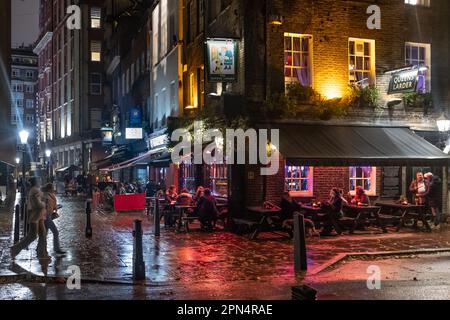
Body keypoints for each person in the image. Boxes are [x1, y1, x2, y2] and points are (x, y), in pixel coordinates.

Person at [10, 177, 49, 260]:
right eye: (40, 180)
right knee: (32, 235)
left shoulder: (35, 189)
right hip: (35, 215)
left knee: (42, 234)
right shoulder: (35, 190)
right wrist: (44, 203)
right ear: (36, 182)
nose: (41, 181)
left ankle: (42, 253)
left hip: (39, 215)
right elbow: (37, 204)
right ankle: (15, 249)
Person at [42, 183, 66, 255]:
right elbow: (46, 206)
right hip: (46, 217)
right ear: (49, 189)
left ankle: (41, 249)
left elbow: (50, 206)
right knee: (55, 232)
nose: (53, 189)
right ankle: (57, 249)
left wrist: (57, 207)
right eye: (52, 188)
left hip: (47, 216)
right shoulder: (46, 196)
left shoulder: (50, 195)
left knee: (44, 234)